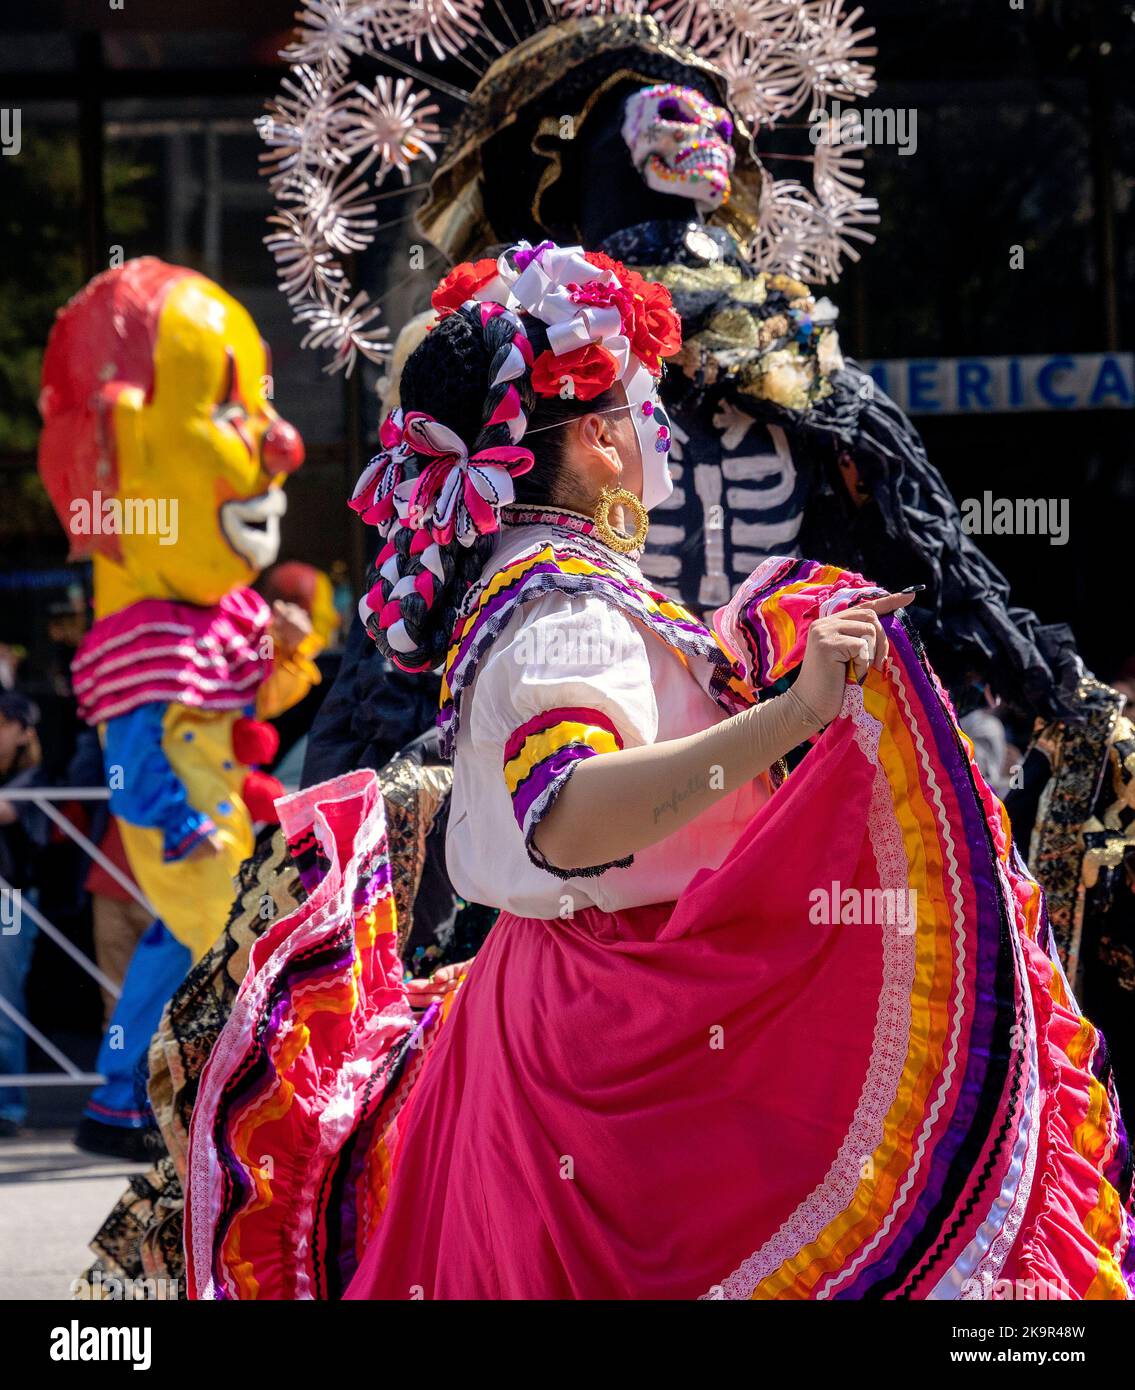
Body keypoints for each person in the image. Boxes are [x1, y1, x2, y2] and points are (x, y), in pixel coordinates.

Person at [186, 244, 1131, 1301]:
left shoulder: (555, 587)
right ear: (593, 438)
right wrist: (795, 710)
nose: (664, 434)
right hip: (614, 1025)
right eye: (648, 408)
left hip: (590, 1000)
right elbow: (574, 816)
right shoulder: (568, 608)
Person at [0, 693, 48, 1137]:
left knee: (4, 1002)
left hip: (9, 901)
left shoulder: (35, 776)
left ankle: (8, 1105)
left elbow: (6, 811)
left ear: (24, 732)